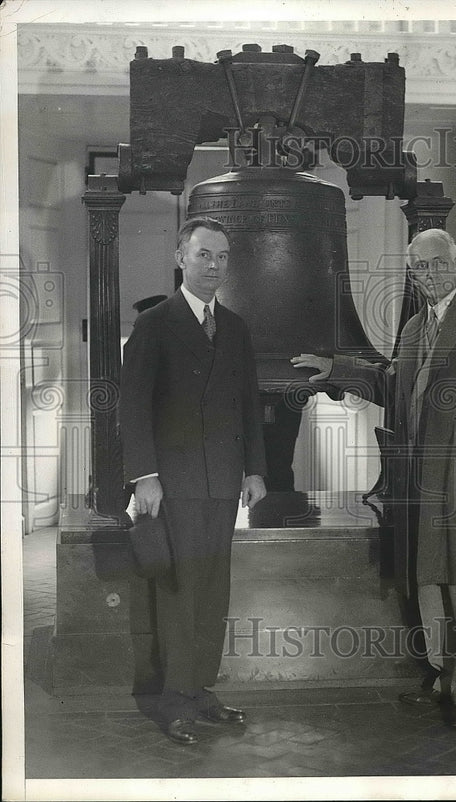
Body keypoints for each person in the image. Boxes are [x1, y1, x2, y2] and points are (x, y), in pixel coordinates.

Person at [292, 228, 456, 729]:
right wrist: (336, 369)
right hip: (421, 480)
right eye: (419, 269)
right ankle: (438, 676)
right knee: (429, 578)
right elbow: (392, 385)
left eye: (435, 263)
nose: (428, 275)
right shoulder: (411, 330)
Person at [120, 217, 267, 745]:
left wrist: (254, 469)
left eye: (223, 256)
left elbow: (248, 403)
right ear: (181, 258)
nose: (214, 266)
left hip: (224, 483)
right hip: (173, 484)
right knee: (179, 593)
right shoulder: (155, 323)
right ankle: (175, 702)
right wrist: (144, 476)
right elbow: (132, 406)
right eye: (204, 255)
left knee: (213, 593)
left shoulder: (236, 327)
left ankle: (202, 691)